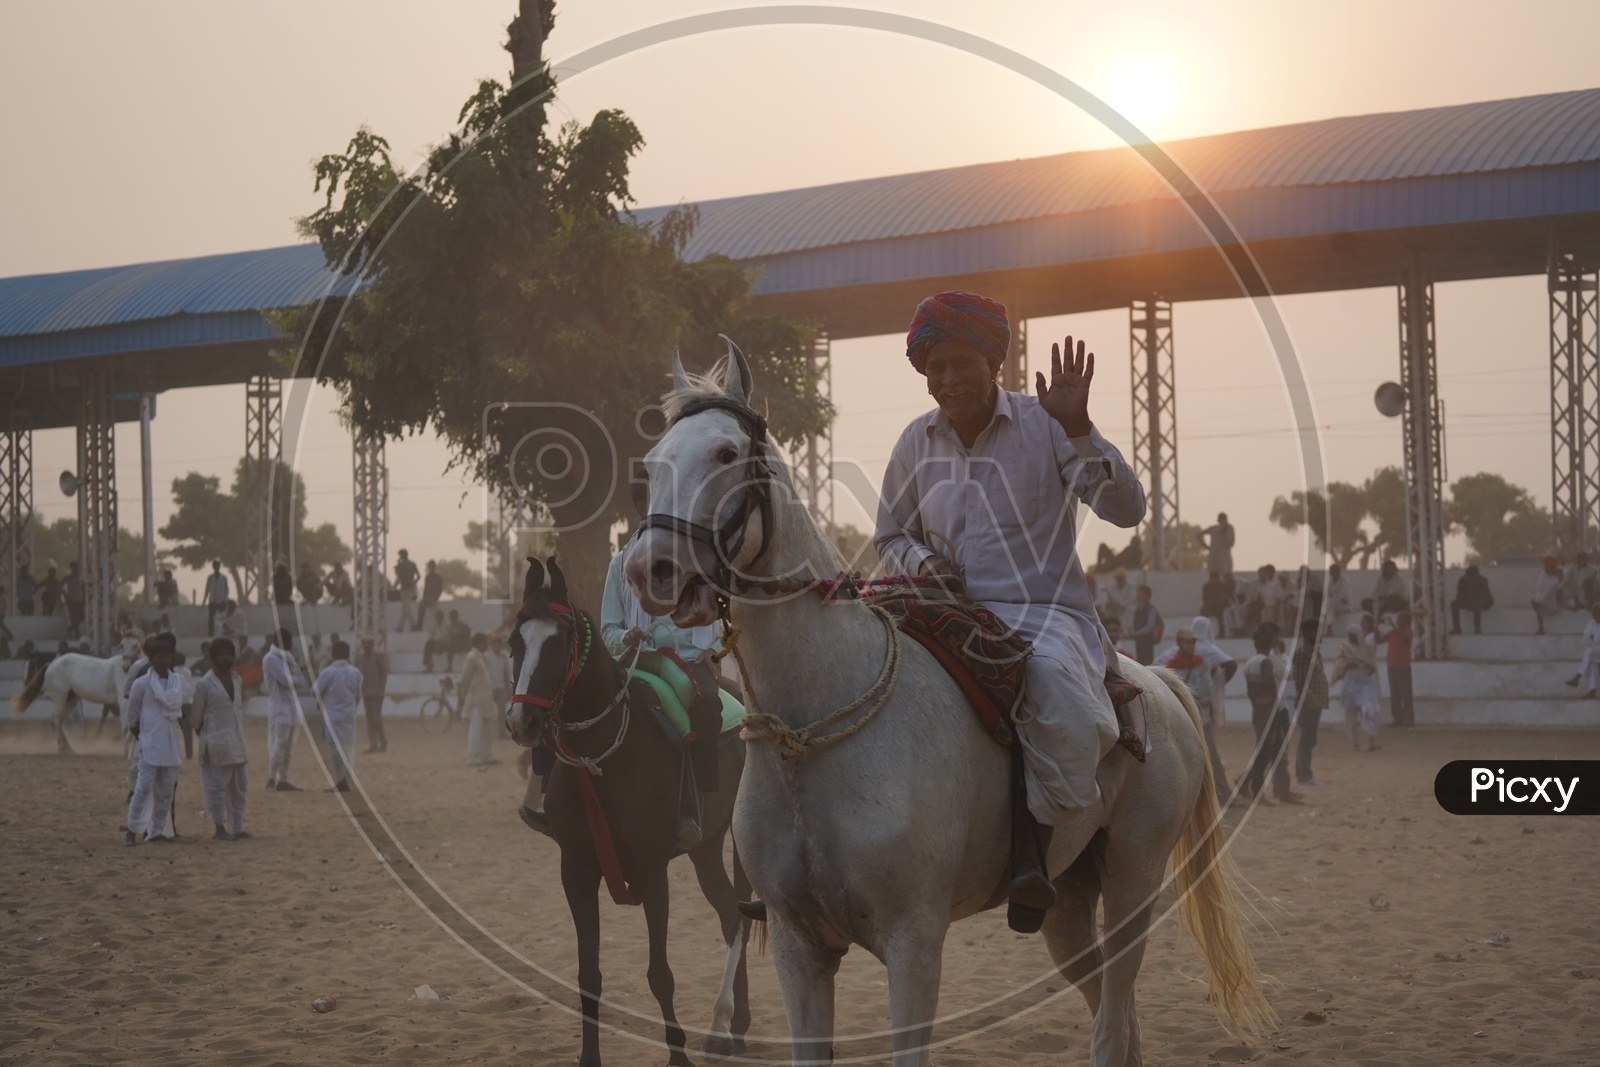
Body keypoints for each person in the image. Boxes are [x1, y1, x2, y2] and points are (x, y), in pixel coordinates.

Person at [874, 291, 1145, 929]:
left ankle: (1042, 851)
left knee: (1047, 680)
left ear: (994, 361)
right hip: (942, 612)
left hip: (1045, 615)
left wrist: (1079, 427)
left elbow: (1127, 512)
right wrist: (923, 567)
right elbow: (891, 537)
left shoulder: (1048, 424)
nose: (947, 379)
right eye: (935, 366)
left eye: (961, 362)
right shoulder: (915, 442)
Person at [124, 635, 185, 845]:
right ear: (151, 658)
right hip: (150, 744)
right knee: (142, 789)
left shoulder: (178, 682)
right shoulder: (141, 684)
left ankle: (157, 831)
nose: (163, 661)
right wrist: (144, 739)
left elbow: (180, 712)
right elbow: (132, 718)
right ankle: (131, 830)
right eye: (159, 657)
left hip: (170, 744)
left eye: (167, 657)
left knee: (166, 792)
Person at [190, 637, 250, 840]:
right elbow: (196, 719)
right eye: (222, 655)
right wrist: (210, 737)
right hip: (215, 745)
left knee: (240, 788)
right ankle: (220, 828)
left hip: (237, 741)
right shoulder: (205, 684)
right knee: (216, 787)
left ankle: (238, 828)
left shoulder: (237, 680)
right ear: (213, 657)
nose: (227, 658)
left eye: (229, 654)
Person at [1239, 625, 1303, 805]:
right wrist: (1271, 698)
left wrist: (1258, 700)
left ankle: (1264, 789)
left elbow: (1250, 689)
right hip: (1270, 711)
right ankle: (1262, 792)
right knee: (1269, 753)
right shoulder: (1266, 661)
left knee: (1266, 751)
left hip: (1259, 710)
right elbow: (1272, 684)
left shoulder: (1251, 661)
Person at [1160, 625, 1230, 788]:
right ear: (1179, 642)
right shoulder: (1170, 666)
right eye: (1187, 642)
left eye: (1193, 642)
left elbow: (1206, 688)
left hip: (1202, 720)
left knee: (1213, 760)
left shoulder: (1203, 663)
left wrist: (1183, 692)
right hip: (1182, 722)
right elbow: (1192, 692)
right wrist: (1196, 696)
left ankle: (1224, 796)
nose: (1191, 645)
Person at [313, 640, 363, 791]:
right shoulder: (355, 672)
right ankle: (348, 780)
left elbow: (314, 691)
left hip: (332, 715)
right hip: (348, 714)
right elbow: (357, 696)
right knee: (348, 747)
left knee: (336, 749)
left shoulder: (327, 672)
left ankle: (341, 781)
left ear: (333, 654)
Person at [261, 629, 305, 791]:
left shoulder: (288, 657)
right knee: (279, 743)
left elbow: (299, 680)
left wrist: (295, 679)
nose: (292, 644)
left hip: (291, 705)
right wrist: (295, 679)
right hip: (279, 705)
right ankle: (271, 778)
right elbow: (288, 680)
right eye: (289, 640)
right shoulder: (271, 659)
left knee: (289, 746)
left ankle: (284, 780)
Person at [1330, 617, 1381, 752]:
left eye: (1354, 635)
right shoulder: (1344, 647)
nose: (1352, 638)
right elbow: (1338, 663)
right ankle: (1355, 744)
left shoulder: (1366, 647)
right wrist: (1347, 664)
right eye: (1350, 635)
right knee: (1350, 717)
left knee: (1368, 710)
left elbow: (1372, 661)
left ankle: (1372, 741)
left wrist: (1371, 667)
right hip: (1350, 683)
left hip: (1365, 682)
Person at [1290, 617, 1330, 788]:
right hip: (1309, 704)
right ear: (1308, 634)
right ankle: (1304, 776)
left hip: (1315, 703)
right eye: (1316, 631)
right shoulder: (1302, 653)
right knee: (1307, 739)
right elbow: (1300, 681)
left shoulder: (1314, 652)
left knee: (1309, 739)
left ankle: (1304, 774)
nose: (1320, 635)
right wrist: (1311, 700)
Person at [459, 633, 500, 766]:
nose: (487, 645)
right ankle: (473, 757)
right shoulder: (471, 657)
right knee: (476, 729)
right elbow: (464, 679)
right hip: (476, 699)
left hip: (486, 699)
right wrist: (462, 696)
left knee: (487, 730)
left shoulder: (481, 657)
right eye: (484, 642)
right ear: (477, 643)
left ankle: (487, 755)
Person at [1378, 611, 1414, 727]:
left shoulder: (1408, 632)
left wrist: (1392, 625)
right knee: (1395, 693)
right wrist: (1376, 627)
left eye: (1401, 618)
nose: (1398, 620)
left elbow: (1404, 638)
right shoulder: (1394, 632)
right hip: (1392, 666)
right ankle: (1397, 718)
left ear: (1407, 621)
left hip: (1403, 666)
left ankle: (1408, 718)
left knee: (1405, 693)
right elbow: (1380, 640)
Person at [356, 636, 389, 753]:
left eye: (368, 644)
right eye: (364, 644)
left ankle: (382, 740)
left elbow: (384, 674)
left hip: (376, 691)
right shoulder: (362, 658)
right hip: (367, 691)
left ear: (372, 644)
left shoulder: (378, 657)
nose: (365, 646)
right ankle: (373, 744)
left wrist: (381, 690)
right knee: (369, 719)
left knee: (376, 718)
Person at [1565, 604, 1600, 698]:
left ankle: (1577, 677)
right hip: (1595, 652)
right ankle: (1592, 690)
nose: (1596, 615)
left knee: (1589, 652)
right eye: (1595, 613)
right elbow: (1586, 639)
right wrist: (1593, 641)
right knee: (1590, 660)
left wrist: (1593, 640)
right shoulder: (1590, 623)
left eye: (1598, 613)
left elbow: (1592, 640)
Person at [1450, 565, 1494, 634]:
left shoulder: (1480, 580)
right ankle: (1457, 628)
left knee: (1476, 603)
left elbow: (1486, 595)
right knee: (1455, 604)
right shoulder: (1465, 580)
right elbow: (1460, 593)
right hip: (1473, 602)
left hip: (1479, 602)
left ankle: (1476, 628)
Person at [1129, 584, 1162, 665]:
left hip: (1147, 639)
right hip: (1139, 640)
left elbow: (1150, 625)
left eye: (1141, 592)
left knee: (1147, 660)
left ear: (1147, 594)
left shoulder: (1151, 609)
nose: (1138, 594)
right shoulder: (1137, 609)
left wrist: (1138, 633)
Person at [1532, 554, 1564, 635]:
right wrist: (1539, 601)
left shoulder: (1559, 575)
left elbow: (1558, 590)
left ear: (1553, 566)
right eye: (1545, 566)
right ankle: (1541, 629)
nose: (1545, 568)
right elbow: (1539, 591)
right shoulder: (1542, 576)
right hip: (1545, 604)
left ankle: (1538, 604)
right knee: (1539, 605)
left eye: (1547, 566)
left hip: (1558, 602)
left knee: (1553, 587)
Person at [1097, 567, 1135, 632]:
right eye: (1118, 578)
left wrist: (1119, 605)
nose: (1119, 579)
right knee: (1106, 610)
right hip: (1114, 610)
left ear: (1124, 577)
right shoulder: (1111, 588)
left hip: (1126, 608)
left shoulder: (1131, 587)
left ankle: (1127, 631)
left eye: (1121, 577)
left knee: (1129, 610)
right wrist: (1109, 605)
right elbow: (1107, 600)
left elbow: (1132, 599)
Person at [1199, 512, 1235, 577]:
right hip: (1214, 557)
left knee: (1226, 575)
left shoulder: (1229, 528)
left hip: (1224, 557)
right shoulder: (1214, 529)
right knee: (1214, 576)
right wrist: (1206, 546)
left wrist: (1224, 534)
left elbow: (1231, 543)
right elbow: (1198, 535)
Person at [394, 550, 421, 632]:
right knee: (405, 607)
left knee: (406, 607)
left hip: (404, 588)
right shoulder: (412, 564)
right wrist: (413, 583)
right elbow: (419, 576)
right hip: (411, 587)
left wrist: (398, 565)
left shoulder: (402, 566)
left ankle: (413, 625)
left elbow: (398, 575)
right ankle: (400, 626)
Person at [1325, 562, 1356, 633]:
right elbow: (1327, 596)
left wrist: (1333, 596)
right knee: (1330, 603)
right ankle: (1329, 626)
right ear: (1331, 573)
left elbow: (1343, 596)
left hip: (1345, 606)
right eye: (1333, 572)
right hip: (1334, 606)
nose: (1335, 573)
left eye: (1337, 571)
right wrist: (1333, 597)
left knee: (1331, 602)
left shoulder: (1345, 581)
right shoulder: (1329, 583)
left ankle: (1329, 627)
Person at [1200, 571, 1232, 637]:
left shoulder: (1222, 586)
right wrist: (1211, 604)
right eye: (1213, 578)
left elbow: (1223, 598)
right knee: (1203, 610)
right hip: (1211, 606)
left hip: (1222, 606)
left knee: (1221, 610)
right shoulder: (1206, 586)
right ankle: (1203, 631)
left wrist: (1218, 604)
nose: (1215, 580)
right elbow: (1205, 598)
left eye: (1216, 578)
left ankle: (1221, 632)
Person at [204, 560, 230, 637]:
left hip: (221, 601)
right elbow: (207, 589)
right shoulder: (210, 578)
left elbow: (226, 589)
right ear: (213, 567)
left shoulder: (224, 578)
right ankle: (210, 632)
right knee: (211, 618)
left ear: (219, 567)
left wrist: (226, 599)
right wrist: (204, 599)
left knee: (223, 617)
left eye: (217, 566)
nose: (216, 568)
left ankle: (224, 631)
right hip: (212, 601)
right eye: (215, 566)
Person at [63, 561, 86, 640]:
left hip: (79, 600)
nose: (76, 568)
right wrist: (65, 595)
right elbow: (60, 585)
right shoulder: (68, 577)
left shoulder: (80, 577)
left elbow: (83, 588)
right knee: (73, 617)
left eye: (77, 567)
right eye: (74, 567)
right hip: (71, 600)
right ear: (72, 568)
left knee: (82, 616)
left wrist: (84, 598)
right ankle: (77, 634)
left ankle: (71, 628)